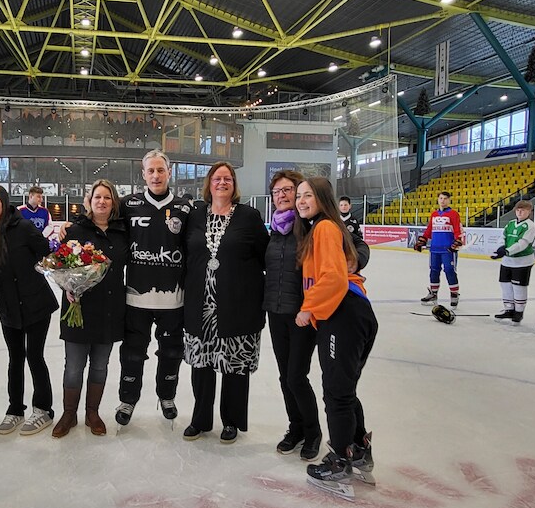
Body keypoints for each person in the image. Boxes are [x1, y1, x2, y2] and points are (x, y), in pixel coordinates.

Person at [266, 170, 370, 461]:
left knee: (303, 378)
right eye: (279, 192)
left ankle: (317, 435)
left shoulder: (315, 227)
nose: (286, 197)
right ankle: (298, 429)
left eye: (293, 191)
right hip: (279, 311)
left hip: (310, 313)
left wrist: (355, 259)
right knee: (288, 377)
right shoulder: (274, 230)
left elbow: (355, 248)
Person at [294, 177, 377, 491]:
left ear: (322, 198)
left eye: (307, 195)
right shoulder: (320, 228)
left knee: (336, 393)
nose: (301, 200)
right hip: (349, 314)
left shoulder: (326, 228)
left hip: (342, 314)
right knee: (345, 389)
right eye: (298, 195)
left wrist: (307, 308)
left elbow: (333, 278)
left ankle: (340, 461)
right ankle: (359, 451)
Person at [181, 162, 268, 443]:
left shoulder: (249, 216)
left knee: (235, 367)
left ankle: (231, 421)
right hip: (200, 304)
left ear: (234, 184)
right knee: (202, 367)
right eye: (217, 178)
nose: (222, 182)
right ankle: (201, 420)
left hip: (238, 304)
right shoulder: (195, 216)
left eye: (227, 178)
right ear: (209, 183)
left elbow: (267, 255)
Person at [114, 149, 193, 427]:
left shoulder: (186, 208)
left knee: (171, 352)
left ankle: (167, 396)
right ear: (143, 173)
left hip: (173, 300)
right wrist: (70, 229)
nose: (156, 175)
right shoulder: (128, 205)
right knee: (133, 353)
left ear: (169, 173)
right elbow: (103, 228)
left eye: (161, 170)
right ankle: (127, 399)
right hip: (136, 298)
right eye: (151, 171)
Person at [0, 184, 59, 436]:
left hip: (36, 303)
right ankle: (15, 409)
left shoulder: (23, 227)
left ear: (4, 203)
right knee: (15, 358)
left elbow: (46, 255)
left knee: (34, 356)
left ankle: (43, 409)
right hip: (8, 305)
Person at [53, 179, 129, 438]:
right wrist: (67, 288)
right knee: (73, 366)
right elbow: (61, 265)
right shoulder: (75, 230)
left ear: (113, 202)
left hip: (110, 308)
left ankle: (92, 413)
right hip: (79, 307)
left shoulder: (122, 231)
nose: (102, 201)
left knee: (100, 365)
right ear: (89, 200)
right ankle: (69, 414)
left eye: (107, 197)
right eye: (97, 197)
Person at [414, 192, 463, 307]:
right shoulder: (434, 214)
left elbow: (458, 231)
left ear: (449, 200)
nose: (443, 200)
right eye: (441, 198)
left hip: (448, 250)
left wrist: (456, 242)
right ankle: (433, 294)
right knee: (434, 271)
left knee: (449, 271)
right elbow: (429, 230)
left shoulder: (454, 214)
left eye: (445, 198)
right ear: (438, 199)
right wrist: (422, 240)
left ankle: (454, 294)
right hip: (435, 249)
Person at [492, 200, 535, 323]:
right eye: (518, 210)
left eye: (523, 210)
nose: (520, 212)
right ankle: (509, 309)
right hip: (507, 261)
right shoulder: (510, 224)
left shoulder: (530, 225)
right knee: (505, 285)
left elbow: (523, 243)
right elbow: (503, 237)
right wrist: (501, 247)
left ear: (529, 211)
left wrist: (507, 251)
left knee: (519, 287)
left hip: (523, 262)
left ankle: (519, 312)